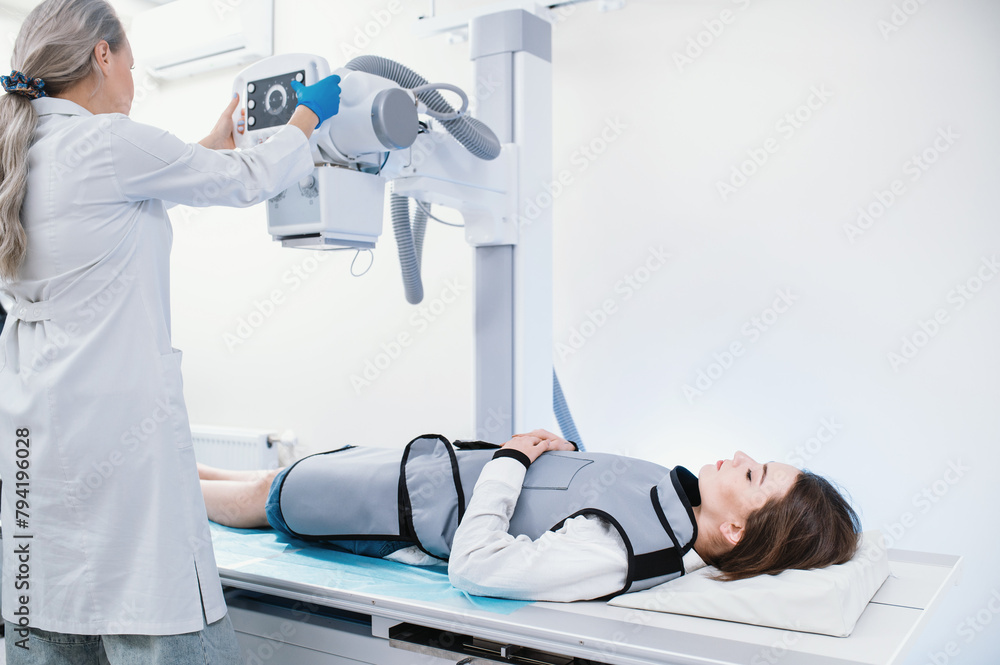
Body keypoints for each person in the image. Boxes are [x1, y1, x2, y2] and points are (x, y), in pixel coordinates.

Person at [0, 0, 342, 662]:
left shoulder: (22, 154)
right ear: (103, 54)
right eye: (131, 60)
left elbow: (146, 188)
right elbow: (251, 180)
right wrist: (309, 116)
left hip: (31, 453)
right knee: (160, 613)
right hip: (122, 457)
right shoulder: (107, 143)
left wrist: (216, 140)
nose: (131, 78)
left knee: (55, 617)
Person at [198, 429, 861, 602]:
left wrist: (513, 460)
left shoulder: (624, 552)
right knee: (268, 477)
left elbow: (476, 565)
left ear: (739, 529)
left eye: (753, 475)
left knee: (263, 499)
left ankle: (134, 483)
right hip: (422, 472)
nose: (741, 456)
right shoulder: (672, 505)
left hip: (396, 511)